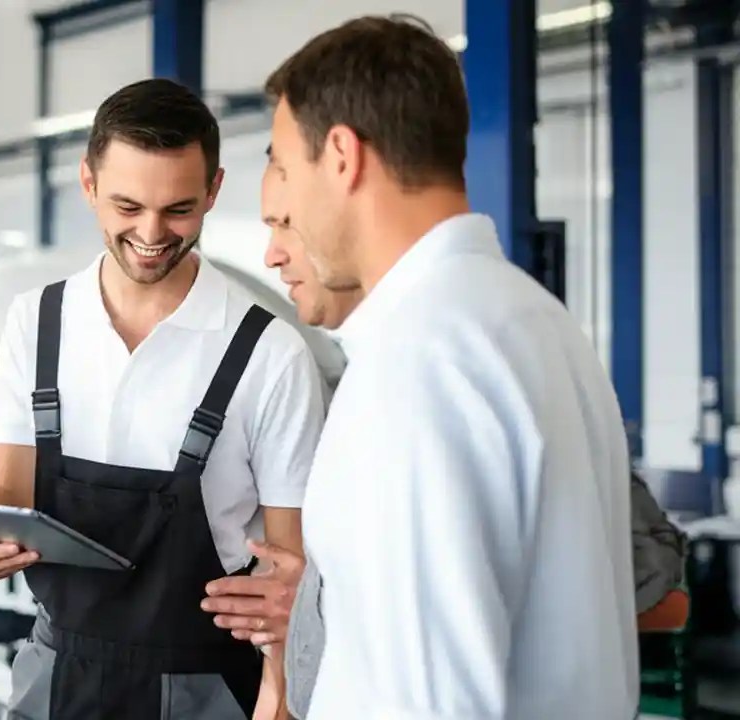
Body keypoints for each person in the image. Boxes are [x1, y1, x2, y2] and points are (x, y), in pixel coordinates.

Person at [229, 14, 636, 718]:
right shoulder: (536, 322)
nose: (280, 220)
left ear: (342, 155)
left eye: (286, 170)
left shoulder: (415, 365)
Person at [0, 77, 329, 720]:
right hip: (54, 676)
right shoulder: (36, 322)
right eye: (127, 205)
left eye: (179, 208)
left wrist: (279, 705)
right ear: (88, 183)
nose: (152, 233)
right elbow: (7, 491)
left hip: (206, 688)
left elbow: (290, 578)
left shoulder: (269, 353)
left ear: (213, 190)